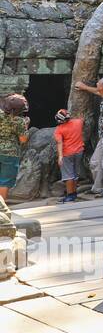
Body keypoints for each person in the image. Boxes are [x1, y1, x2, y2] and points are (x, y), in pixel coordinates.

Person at [0, 94, 30, 235]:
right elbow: (23, 139)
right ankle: (2, 211)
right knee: (4, 181)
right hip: (10, 153)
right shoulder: (18, 121)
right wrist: (26, 126)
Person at [53, 109, 85, 203]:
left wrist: (60, 156)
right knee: (75, 174)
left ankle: (70, 196)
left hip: (67, 154)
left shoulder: (59, 130)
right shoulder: (78, 122)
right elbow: (82, 119)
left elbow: (59, 143)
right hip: (79, 151)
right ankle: (74, 193)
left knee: (68, 176)